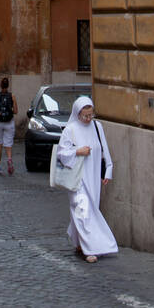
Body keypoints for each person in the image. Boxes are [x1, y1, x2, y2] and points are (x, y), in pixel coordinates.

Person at [55, 95, 117, 262]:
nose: (89, 118)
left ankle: (79, 241)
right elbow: (61, 154)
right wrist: (77, 151)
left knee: (89, 210)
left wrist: (108, 171)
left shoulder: (97, 127)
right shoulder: (70, 130)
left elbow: (104, 149)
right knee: (82, 210)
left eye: (91, 115)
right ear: (78, 114)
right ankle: (90, 249)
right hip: (77, 180)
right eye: (85, 116)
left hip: (94, 178)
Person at [0, 77, 17, 175]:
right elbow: (15, 111)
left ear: (0, 85)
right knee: (8, 144)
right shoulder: (12, 96)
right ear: (8, 85)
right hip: (9, 123)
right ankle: (9, 159)